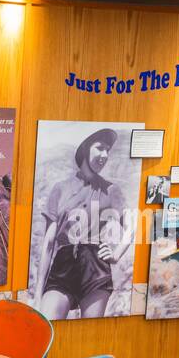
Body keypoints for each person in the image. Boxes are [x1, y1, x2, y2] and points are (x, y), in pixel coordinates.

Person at [32, 128, 130, 320]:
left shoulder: (111, 190)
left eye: (107, 150)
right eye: (100, 148)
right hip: (62, 267)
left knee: (89, 332)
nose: (104, 155)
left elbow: (131, 226)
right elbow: (49, 243)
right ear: (86, 149)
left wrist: (116, 254)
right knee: (47, 326)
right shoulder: (60, 189)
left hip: (96, 268)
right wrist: (38, 293)